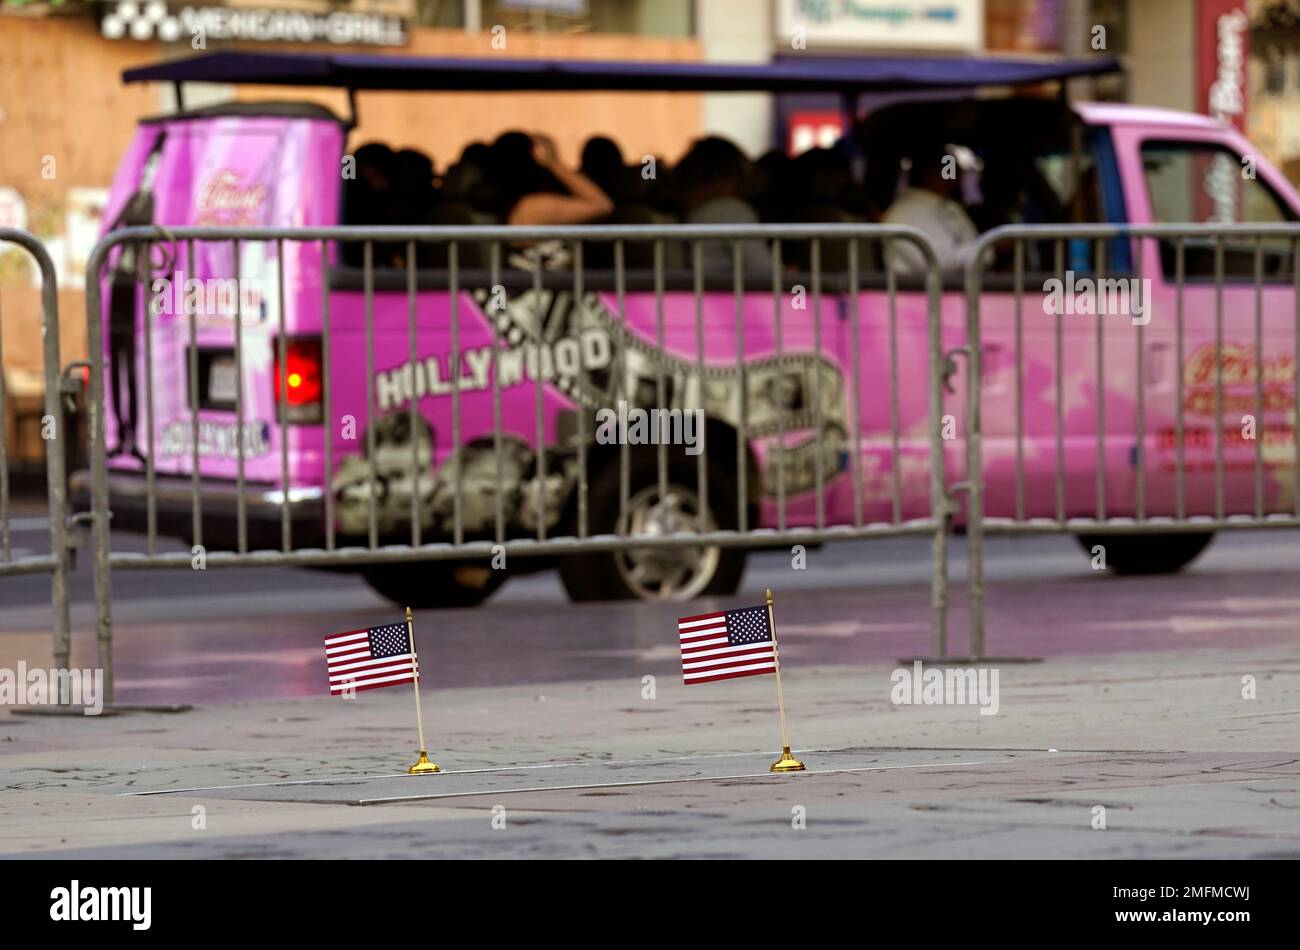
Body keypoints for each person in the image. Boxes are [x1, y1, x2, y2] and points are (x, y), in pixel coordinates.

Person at [881, 142, 985, 275]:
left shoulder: (948, 206)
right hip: (919, 293)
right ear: (931, 172)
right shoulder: (907, 211)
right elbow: (938, 263)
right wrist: (986, 249)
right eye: (950, 171)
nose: (956, 178)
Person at [671, 135, 771, 272]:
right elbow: (764, 270)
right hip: (724, 291)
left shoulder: (686, 212)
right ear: (728, 175)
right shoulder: (730, 210)